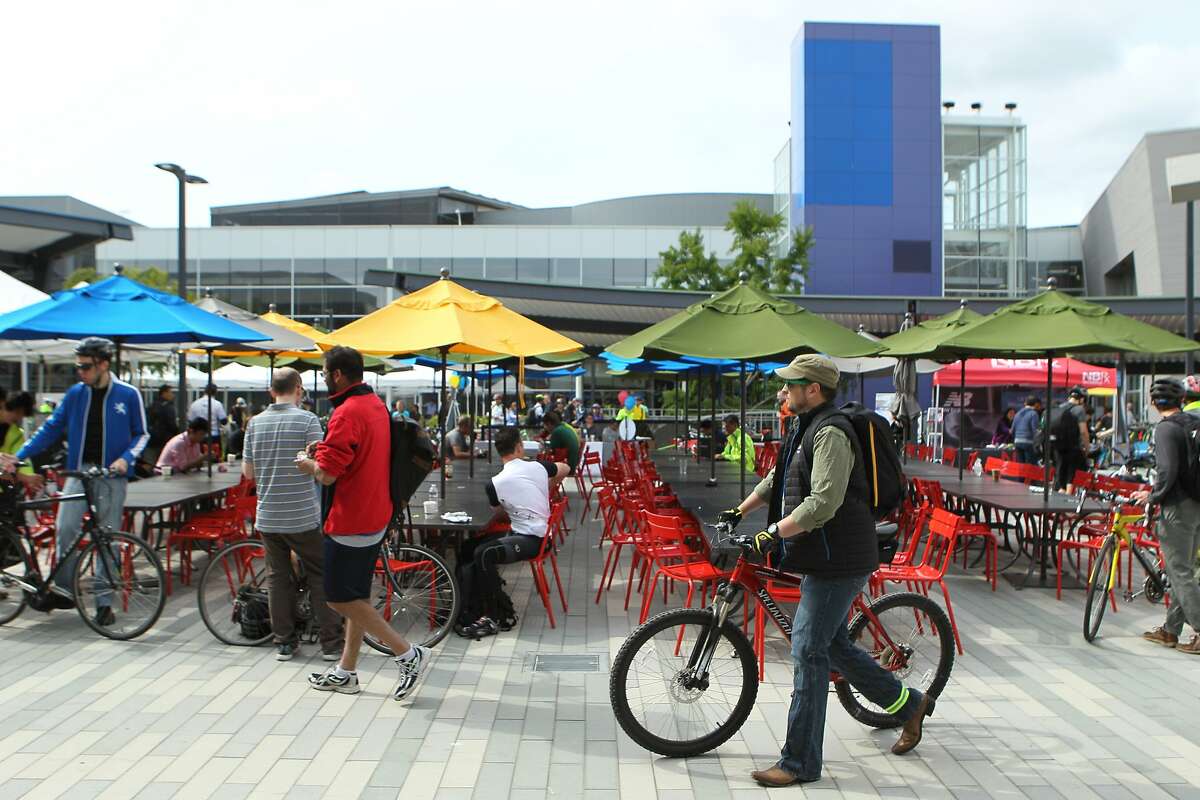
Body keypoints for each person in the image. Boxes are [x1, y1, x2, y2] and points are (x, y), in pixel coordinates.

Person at [719, 354, 932, 786]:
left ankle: (799, 763)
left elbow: (822, 503)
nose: (781, 392)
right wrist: (739, 511)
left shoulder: (831, 432)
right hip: (823, 553)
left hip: (842, 558)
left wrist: (773, 533)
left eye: (789, 385)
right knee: (830, 646)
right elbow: (777, 480)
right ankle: (909, 705)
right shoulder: (803, 427)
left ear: (812, 389)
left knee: (808, 650)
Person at [296, 346, 431, 699]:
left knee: (339, 599)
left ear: (338, 375)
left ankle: (408, 653)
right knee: (356, 595)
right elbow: (355, 452)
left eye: (325, 374)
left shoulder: (346, 413)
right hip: (377, 513)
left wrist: (307, 463)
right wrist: (324, 446)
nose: (324, 379)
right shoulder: (374, 405)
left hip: (350, 519)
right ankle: (347, 671)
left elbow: (327, 475)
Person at [16, 338, 148, 623]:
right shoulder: (76, 393)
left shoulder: (128, 394)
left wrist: (126, 457)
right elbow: (51, 428)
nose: (81, 372)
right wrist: (20, 455)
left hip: (112, 475)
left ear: (104, 364)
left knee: (108, 537)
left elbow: (142, 434)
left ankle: (104, 603)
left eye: (86, 367)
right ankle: (65, 590)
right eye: (78, 367)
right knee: (65, 528)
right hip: (79, 472)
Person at [243, 367, 342, 661]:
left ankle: (284, 642)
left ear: (271, 391)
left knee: (277, 578)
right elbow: (321, 464)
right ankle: (330, 643)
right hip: (301, 514)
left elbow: (248, 473)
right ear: (298, 389)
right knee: (320, 575)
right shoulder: (308, 420)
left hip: (269, 515)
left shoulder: (254, 424)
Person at [456, 426, 570, 637]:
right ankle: (469, 604)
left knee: (484, 554)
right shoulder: (538, 467)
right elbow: (565, 468)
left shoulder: (494, 484)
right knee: (469, 547)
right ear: (519, 446)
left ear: (498, 451)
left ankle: (495, 615)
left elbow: (499, 514)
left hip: (535, 540)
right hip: (526, 534)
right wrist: (547, 487)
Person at [1131, 378, 1200, 655]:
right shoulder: (1193, 423)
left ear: (1152, 403)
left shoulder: (1165, 429)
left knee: (1179, 571)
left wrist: (1153, 495)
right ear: (1181, 401)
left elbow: (1167, 470)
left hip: (1178, 507)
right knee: (1184, 569)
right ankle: (1171, 630)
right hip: (1197, 504)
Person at [0, 392, 44, 493]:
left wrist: (29, 477)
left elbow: (22, 461)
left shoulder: (16, 433)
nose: (19, 418)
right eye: (19, 414)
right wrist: (27, 478)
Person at [1051, 386, 1089, 492]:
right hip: (1072, 447)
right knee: (1071, 476)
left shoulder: (1059, 407)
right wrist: (1087, 447)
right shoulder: (1079, 409)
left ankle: (1057, 499)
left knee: (1060, 473)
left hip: (1057, 446)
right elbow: (1083, 431)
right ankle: (1067, 503)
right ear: (1081, 399)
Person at [145, 383, 179, 466]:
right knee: (164, 464)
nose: (172, 395)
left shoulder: (152, 405)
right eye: (170, 392)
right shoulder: (168, 407)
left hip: (151, 440)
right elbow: (172, 425)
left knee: (151, 464)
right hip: (165, 440)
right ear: (164, 393)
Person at [1011, 396, 1041, 465]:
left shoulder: (1017, 413)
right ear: (1036, 404)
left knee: (1021, 466)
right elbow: (1035, 430)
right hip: (1028, 443)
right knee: (1030, 466)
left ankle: (1021, 476)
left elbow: (1012, 430)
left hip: (1017, 442)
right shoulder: (1033, 414)